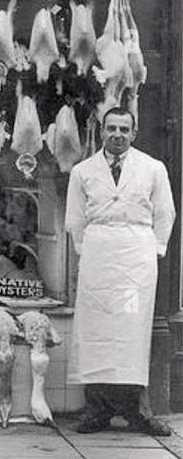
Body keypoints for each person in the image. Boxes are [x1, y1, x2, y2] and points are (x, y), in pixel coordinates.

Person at [64, 107, 175, 436]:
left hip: (135, 258)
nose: (117, 135)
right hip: (98, 254)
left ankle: (138, 411)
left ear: (133, 132)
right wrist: (88, 249)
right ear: (102, 132)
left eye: (123, 129)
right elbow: (74, 220)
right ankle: (96, 411)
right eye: (111, 128)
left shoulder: (153, 169)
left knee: (131, 333)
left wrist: (153, 249)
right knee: (96, 330)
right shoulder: (83, 171)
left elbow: (165, 214)